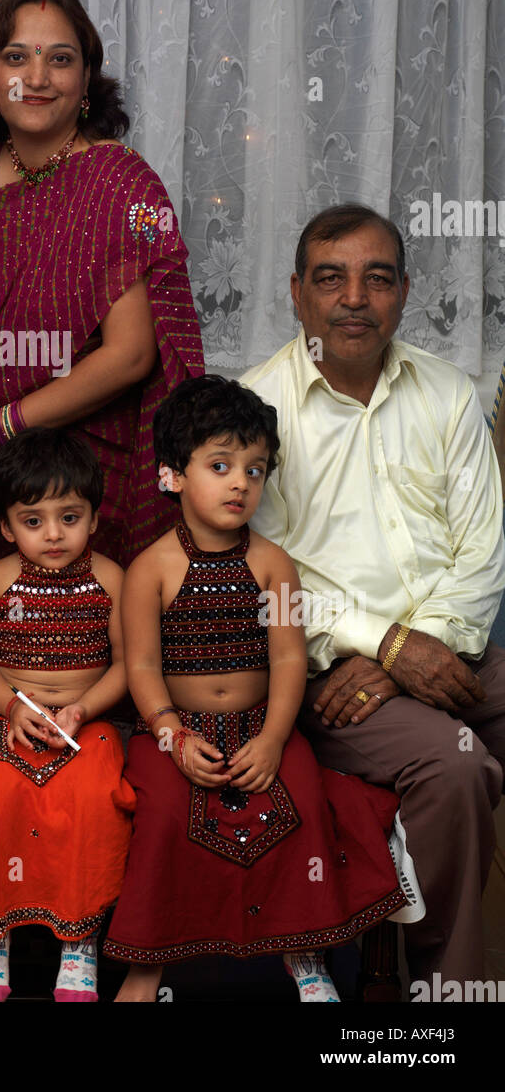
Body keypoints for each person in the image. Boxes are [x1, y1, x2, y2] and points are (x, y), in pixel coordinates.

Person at [240, 204, 505, 989]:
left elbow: (482, 555)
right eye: (330, 278)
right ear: (297, 294)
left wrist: (407, 651)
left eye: (376, 278)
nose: (353, 297)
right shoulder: (256, 411)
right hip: (318, 674)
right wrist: (386, 646)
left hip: (444, 648)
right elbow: (265, 586)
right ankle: (438, 995)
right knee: (454, 772)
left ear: (403, 293)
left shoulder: (448, 393)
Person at [105, 377, 404, 1002]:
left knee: (299, 799)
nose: (241, 482)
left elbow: (290, 657)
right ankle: (148, 967)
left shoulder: (271, 564)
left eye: (255, 469)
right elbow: (140, 668)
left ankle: (305, 950)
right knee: (160, 814)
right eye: (220, 465)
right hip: (175, 732)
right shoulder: (150, 568)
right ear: (172, 475)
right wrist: (170, 733)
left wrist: (273, 741)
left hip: (262, 725)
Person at [0, 0, 204, 566]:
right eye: (15, 57)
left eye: (60, 59)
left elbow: (131, 356)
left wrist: (1, 427)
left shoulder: (121, 183)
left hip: (78, 465)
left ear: (87, 81)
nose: (38, 77)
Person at [0, 428, 135, 1002]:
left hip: (90, 721)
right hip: (10, 720)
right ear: (7, 527)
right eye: (33, 521)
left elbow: (130, 665)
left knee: (94, 795)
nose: (53, 534)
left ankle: (78, 936)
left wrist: (81, 709)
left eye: (69, 516)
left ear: (95, 518)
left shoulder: (111, 578)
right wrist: (12, 707)